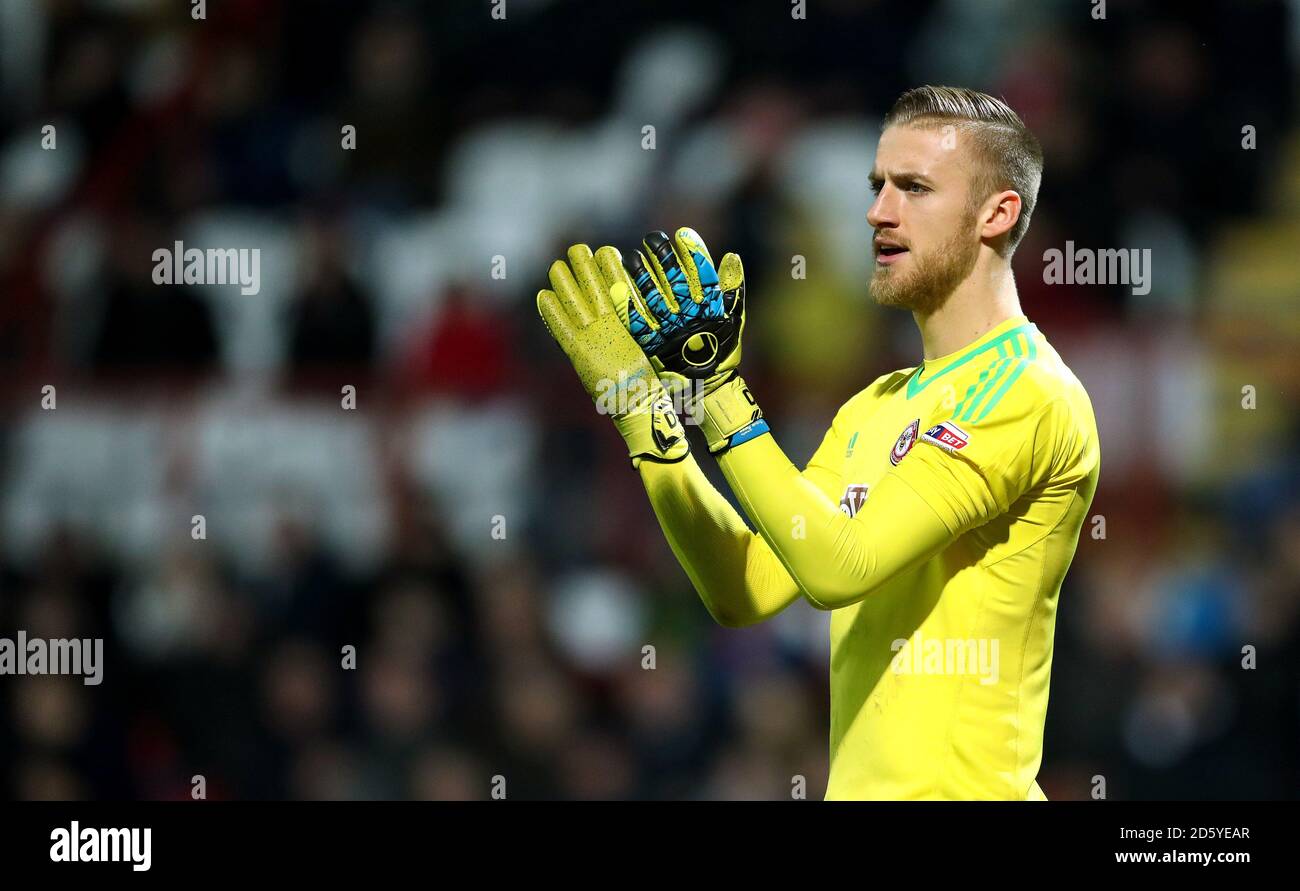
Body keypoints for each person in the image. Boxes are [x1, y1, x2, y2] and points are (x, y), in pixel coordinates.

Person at [537, 86, 1100, 800]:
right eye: (878, 187)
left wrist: (715, 390)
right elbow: (747, 586)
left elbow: (842, 566)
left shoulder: (1027, 392)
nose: (878, 212)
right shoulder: (873, 405)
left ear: (997, 213)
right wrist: (649, 419)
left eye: (914, 188)